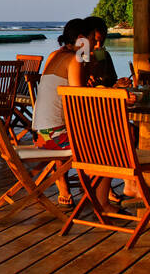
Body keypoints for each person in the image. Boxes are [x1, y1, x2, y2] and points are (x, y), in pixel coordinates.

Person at [33, 18, 105, 208]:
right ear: (81, 39)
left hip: (43, 135)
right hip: (55, 138)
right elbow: (78, 102)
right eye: (93, 41)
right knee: (112, 142)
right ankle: (102, 200)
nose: (97, 46)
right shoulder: (73, 59)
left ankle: (97, 190)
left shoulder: (59, 55)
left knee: (111, 136)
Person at [83, 15, 118, 87]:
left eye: (102, 42)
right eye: (95, 41)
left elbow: (112, 81)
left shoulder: (103, 55)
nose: (98, 45)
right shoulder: (76, 57)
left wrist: (119, 84)